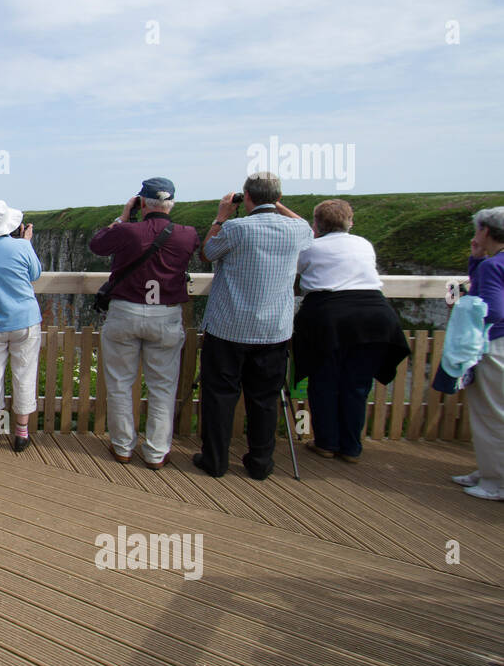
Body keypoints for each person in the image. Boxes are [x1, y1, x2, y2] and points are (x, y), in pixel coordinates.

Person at [194, 172, 312, 479]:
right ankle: (260, 463)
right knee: (264, 399)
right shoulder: (297, 230)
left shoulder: (236, 228)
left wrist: (221, 217)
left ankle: (215, 460)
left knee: (220, 395)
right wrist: (277, 205)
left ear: (246, 197)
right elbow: (307, 227)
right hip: (274, 330)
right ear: (278, 197)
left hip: (228, 328)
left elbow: (207, 253)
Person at [89, 178, 199, 469]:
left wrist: (124, 216)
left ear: (142, 202)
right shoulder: (187, 234)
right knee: (163, 387)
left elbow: (97, 245)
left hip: (125, 312)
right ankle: (156, 453)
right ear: (171, 203)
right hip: (165, 314)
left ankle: (123, 446)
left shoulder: (127, 231)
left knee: (121, 384)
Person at [292, 199, 409, 463]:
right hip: (374, 316)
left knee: (324, 381)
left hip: (329, 317)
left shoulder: (310, 246)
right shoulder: (363, 244)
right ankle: (351, 447)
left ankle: (326, 443)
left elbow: (296, 271)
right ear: (350, 222)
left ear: (317, 224)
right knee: (357, 385)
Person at [0, 200, 42, 452]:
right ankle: (21, 434)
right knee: (24, 373)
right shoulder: (22, 246)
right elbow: (35, 274)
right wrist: (27, 242)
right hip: (25, 320)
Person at [451, 207, 504, 500]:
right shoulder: (491, 264)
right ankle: (487, 470)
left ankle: (495, 481)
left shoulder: (493, 266)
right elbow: (483, 287)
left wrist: (462, 306)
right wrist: (475, 259)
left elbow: (493, 309)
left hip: (494, 345)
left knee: (491, 412)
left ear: (485, 231)